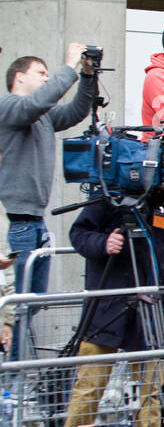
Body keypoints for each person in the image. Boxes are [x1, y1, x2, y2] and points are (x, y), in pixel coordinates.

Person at [64, 171, 164, 427]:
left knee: (152, 392)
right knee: (90, 385)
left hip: (152, 312)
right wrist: (103, 243)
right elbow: (79, 233)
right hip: (106, 306)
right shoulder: (112, 197)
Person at [0, 44, 97, 347]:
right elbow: (41, 100)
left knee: (29, 306)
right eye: (39, 73)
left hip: (35, 224)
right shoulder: (11, 106)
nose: (45, 78)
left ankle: (14, 383)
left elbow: (76, 111)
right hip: (17, 225)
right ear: (18, 77)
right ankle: (10, 386)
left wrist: (87, 76)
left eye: (47, 73)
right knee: (14, 310)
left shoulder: (41, 114)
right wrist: (68, 66)